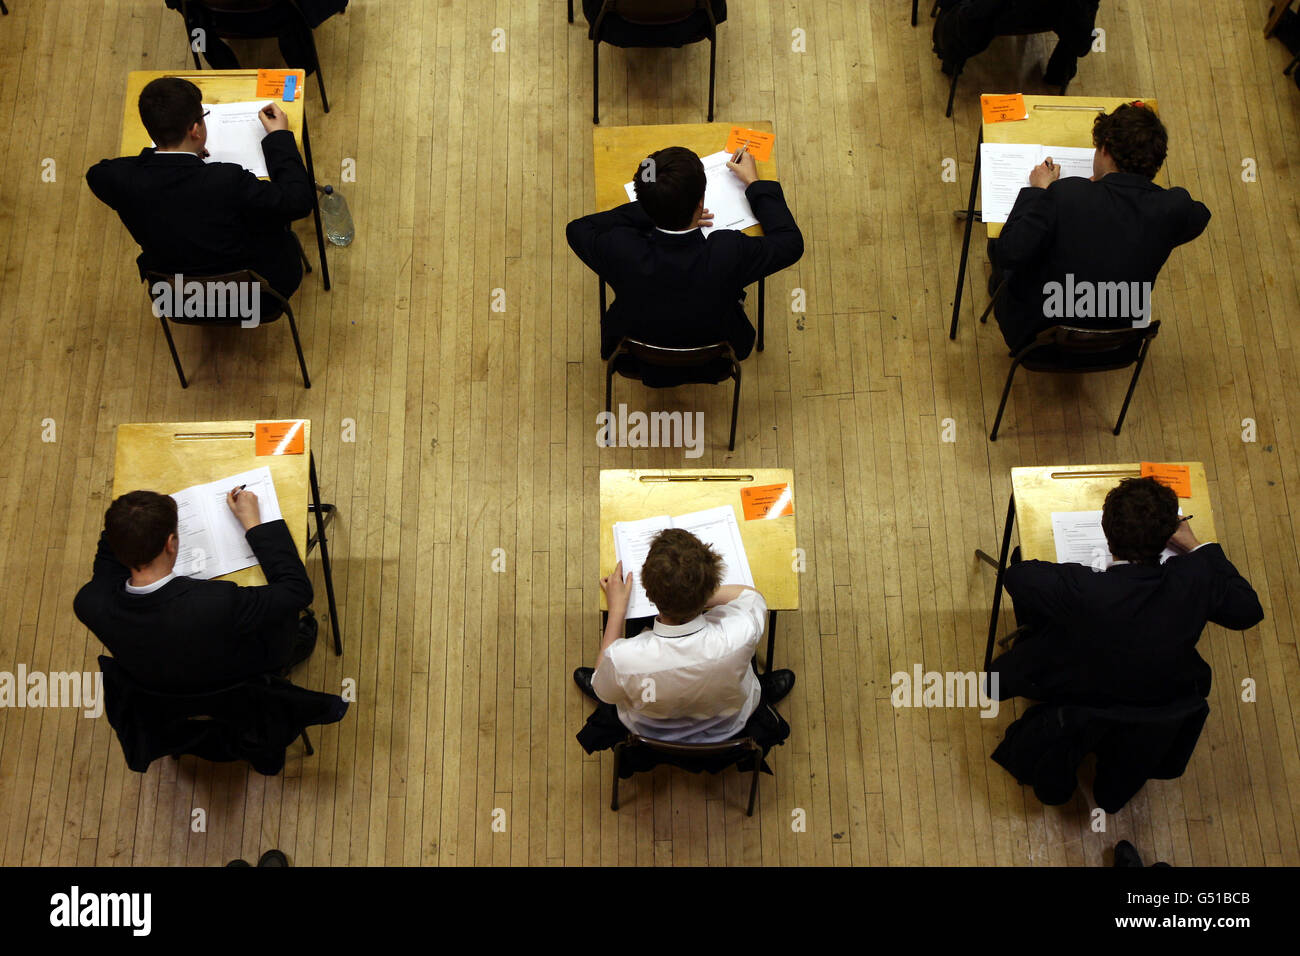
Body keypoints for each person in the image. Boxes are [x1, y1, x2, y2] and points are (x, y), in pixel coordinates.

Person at [990, 476, 1263, 707]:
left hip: (1081, 684)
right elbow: (1247, 611)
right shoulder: (1196, 579)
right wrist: (1194, 545)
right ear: (1169, 535)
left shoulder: (1084, 587)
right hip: (1160, 691)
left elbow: (1018, 577)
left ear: (1106, 532)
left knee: (1019, 556)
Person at [565, 146, 803, 385]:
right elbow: (791, 243)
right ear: (700, 203)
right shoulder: (729, 253)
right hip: (716, 360)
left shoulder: (622, 250)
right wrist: (753, 183)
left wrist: (658, 203)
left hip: (632, 357)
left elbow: (577, 228)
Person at [988, 102, 1211, 352]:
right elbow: (1201, 214)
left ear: (1105, 150)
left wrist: (1039, 190)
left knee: (996, 244)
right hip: (1117, 343)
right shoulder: (1173, 209)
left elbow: (1008, 253)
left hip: (1038, 337)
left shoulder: (1065, 195)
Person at [86, 76, 315, 306]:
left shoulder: (121, 180)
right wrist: (278, 137)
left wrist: (165, 157)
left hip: (180, 300)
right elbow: (299, 201)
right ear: (195, 130)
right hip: (257, 299)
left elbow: (95, 173)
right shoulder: (228, 181)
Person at [573, 529, 794, 757]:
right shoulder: (741, 631)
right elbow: (751, 595)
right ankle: (762, 690)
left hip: (647, 733)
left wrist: (617, 609)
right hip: (730, 728)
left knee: (609, 678)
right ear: (710, 587)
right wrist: (693, 590)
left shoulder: (624, 659)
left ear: (649, 593)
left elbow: (601, 689)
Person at [74, 488, 316, 693]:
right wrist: (253, 523)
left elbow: (107, 554)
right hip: (241, 681)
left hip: (162, 690)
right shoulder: (217, 603)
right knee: (282, 619)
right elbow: (296, 590)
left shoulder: (89, 602)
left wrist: (131, 518)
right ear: (170, 543)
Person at [932, 0, 1099, 87]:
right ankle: (1058, 74)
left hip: (989, 18)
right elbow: (1082, 37)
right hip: (1051, 15)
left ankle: (951, 63)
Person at [164, 0, 348, 71]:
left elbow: (173, 2)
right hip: (280, 17)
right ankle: (304, 66)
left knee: (192, 21)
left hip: (211, 20)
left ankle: (218, 66)